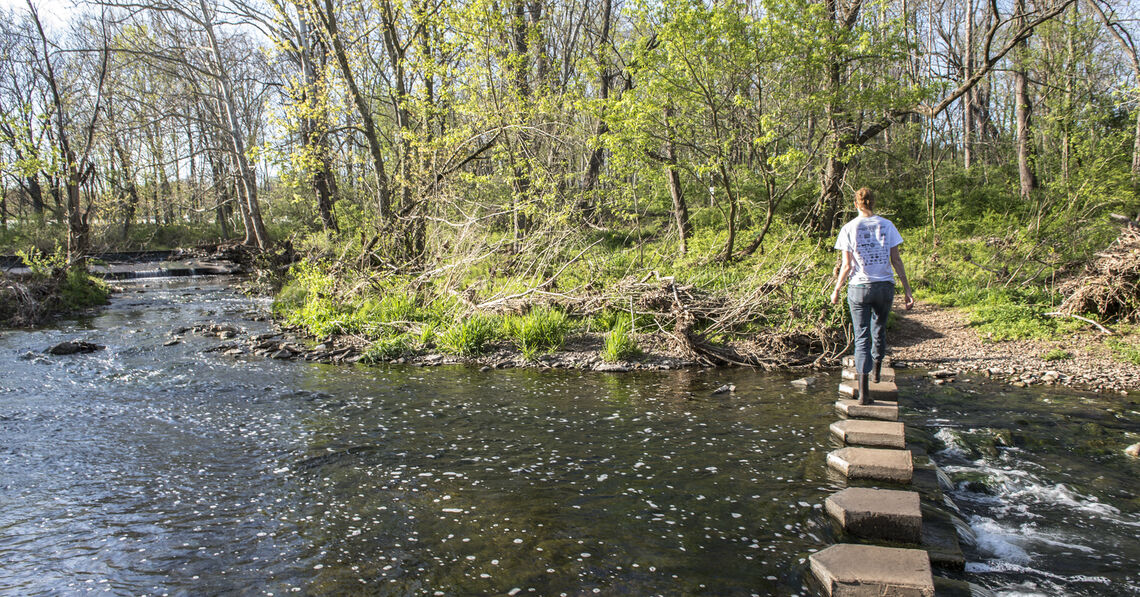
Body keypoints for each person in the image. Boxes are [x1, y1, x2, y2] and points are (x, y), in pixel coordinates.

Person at [830, 187, 914, 404]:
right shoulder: (887, 225)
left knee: (862, 337)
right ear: (873, 203)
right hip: (884, 286)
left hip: (859, 288)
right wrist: (907, 290)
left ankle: (864, 393)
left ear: (856, 204)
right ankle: (877, 368)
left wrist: (837, 289)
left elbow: (847, 266)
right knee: (879, 329)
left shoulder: (849, 228)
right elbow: (896, 260)